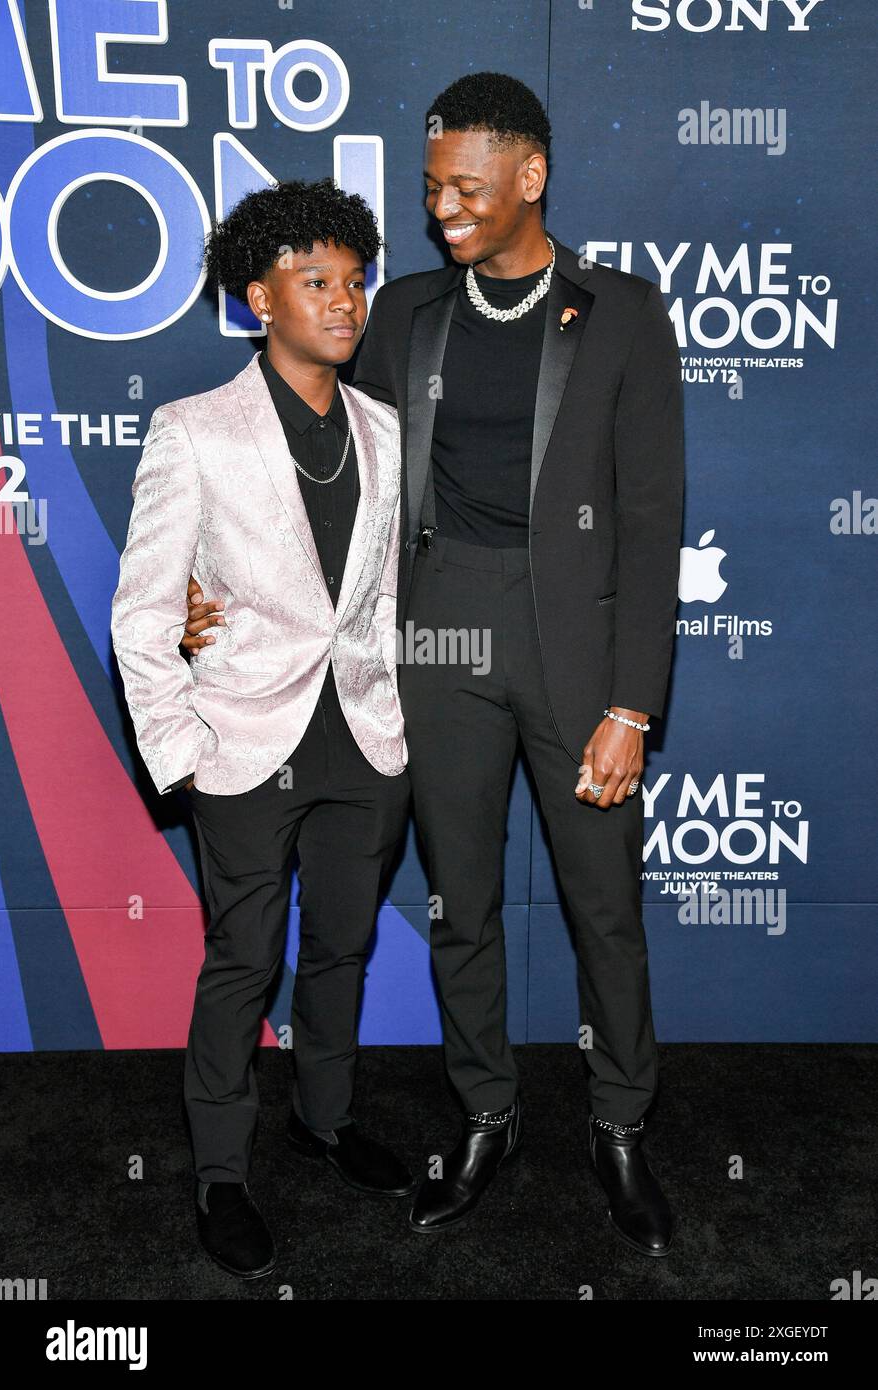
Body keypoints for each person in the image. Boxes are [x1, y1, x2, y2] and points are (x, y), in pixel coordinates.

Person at [185, 72, 685, 1257]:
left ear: (531, 176)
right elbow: (291, 437)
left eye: (466, 186)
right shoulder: (402, 311)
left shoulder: (622, 314)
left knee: (604, 907)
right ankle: (487, 1112)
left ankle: (621, 1127)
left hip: (578, 644)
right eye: (429, 189)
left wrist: (632, 702)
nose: (444, 207)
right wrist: (201, 579)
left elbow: (654, 519)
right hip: (433, 635)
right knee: (457, 900)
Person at [111, 179, 414, 1280]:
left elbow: (381, 596)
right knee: (245, 959)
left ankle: (324, 1119)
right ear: (258, 299)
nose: (345, 302)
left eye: (355, 281)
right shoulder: (194, 430)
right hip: (245, 739)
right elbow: (144, 611)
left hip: (368, 741)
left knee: (342, 945)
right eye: (316, 282)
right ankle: (221, 1173)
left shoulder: (386, 429)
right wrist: (181, 751)